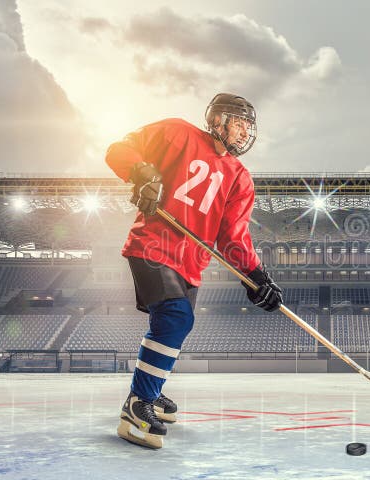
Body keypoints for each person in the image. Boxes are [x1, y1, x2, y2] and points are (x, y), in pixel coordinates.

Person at [105, 93, 283, 449]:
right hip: (152, 244)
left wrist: (257, 277)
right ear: (217, 120)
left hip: (191, 264)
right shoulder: (177, 132)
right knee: (175, 317)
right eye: (239, 121)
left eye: (249, 125)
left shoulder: (240, 178)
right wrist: (141, 171)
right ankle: (137, 405)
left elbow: (233, 237)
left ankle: (150, 392)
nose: (245, 131)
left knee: (174, 324)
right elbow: (119, 149)